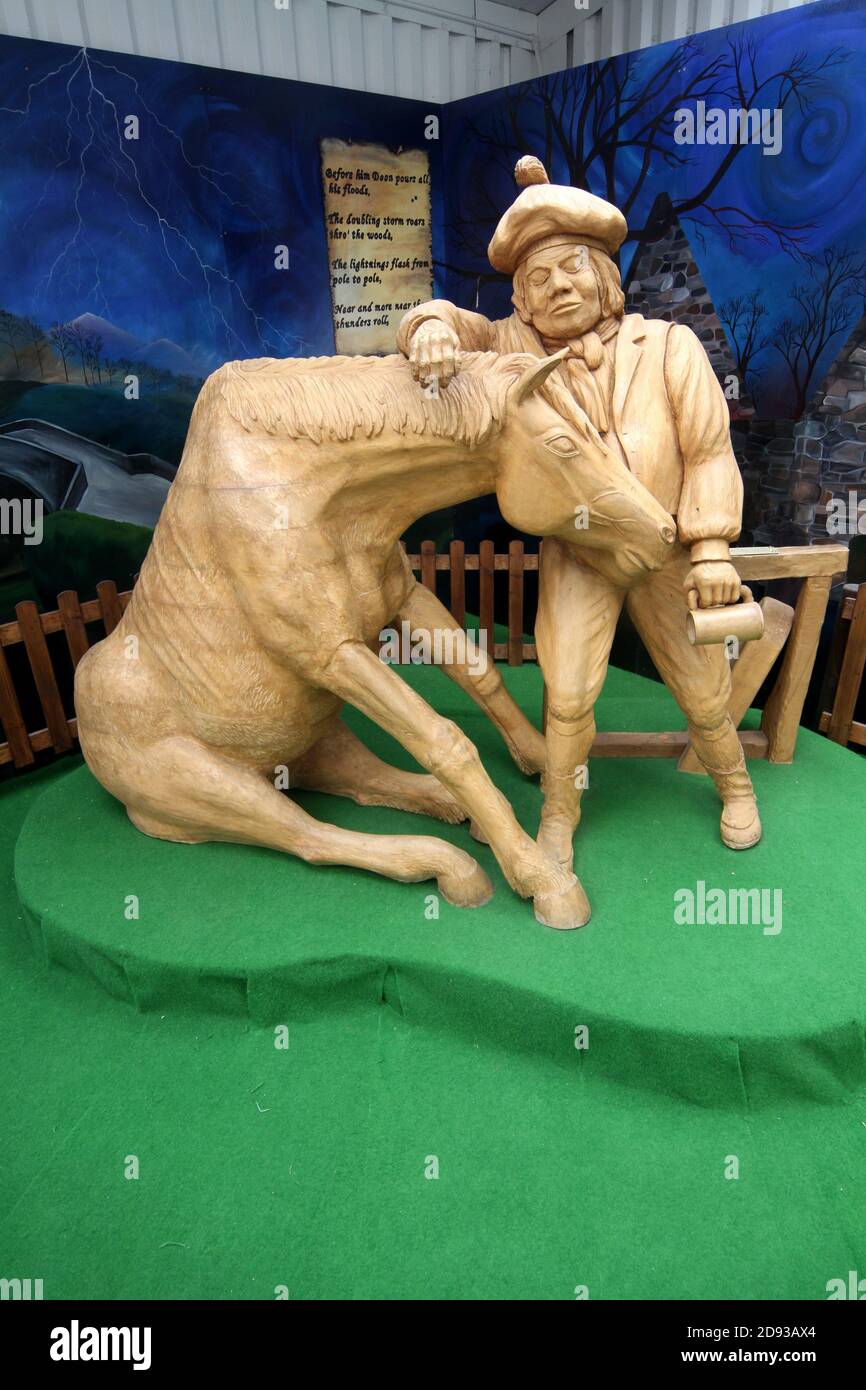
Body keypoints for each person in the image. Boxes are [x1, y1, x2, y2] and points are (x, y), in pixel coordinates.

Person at [396, 156, 761, 869]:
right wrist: (429, 328)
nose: (558, 287)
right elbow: (446, 320)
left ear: (604, 277)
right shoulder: (508, 350)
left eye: (572, 269)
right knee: (566, 696)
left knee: (704, 689)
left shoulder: (669, 347)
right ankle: (560, 812)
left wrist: (712, 547)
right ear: (522, 303)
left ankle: (735, 785)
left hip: (670, 551)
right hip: (581, 552)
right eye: (537, 280)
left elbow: (710, 450)